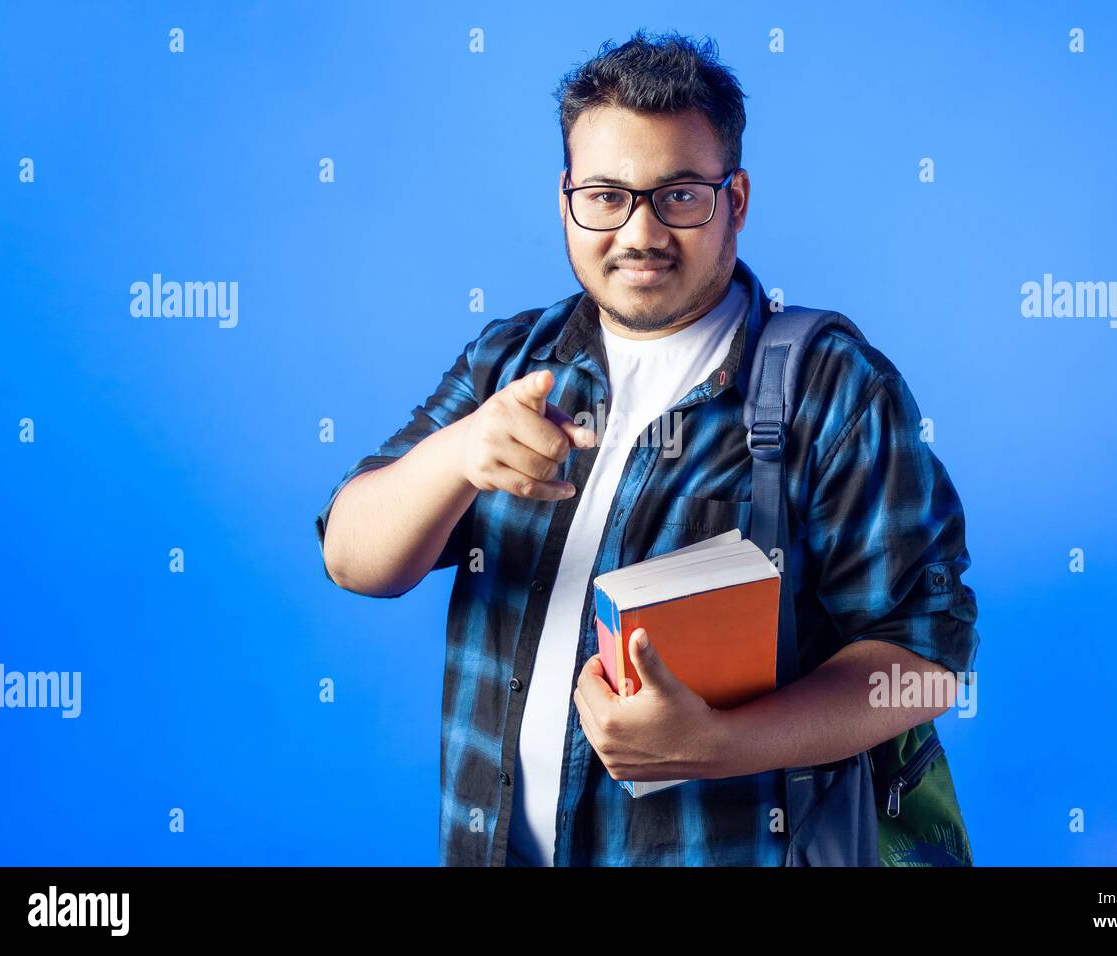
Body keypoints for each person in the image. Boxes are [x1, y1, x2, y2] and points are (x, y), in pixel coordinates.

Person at [315, 29, 980, 866]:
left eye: (678, 196)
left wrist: (719, 745)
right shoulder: (509, 361)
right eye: (606, 195)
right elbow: (353, 558)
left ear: (735, 200)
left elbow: (925, 667)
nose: (639, 232)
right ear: (566, 198)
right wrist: (456, 455)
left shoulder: (833, 388)